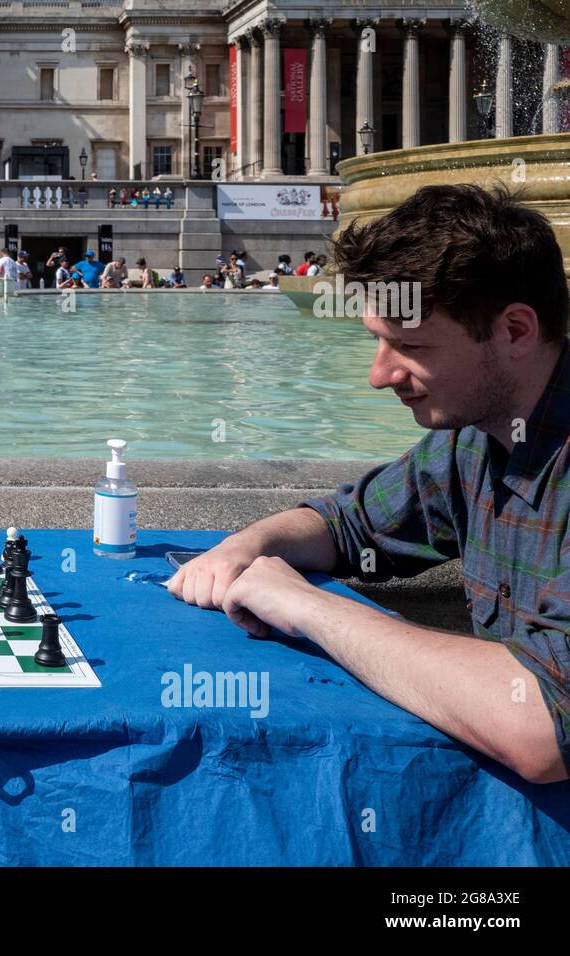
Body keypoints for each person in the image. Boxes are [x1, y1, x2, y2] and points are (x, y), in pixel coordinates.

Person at [171, 184, 570, 784]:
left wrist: (307, 607)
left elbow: (543, 727)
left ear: (515, 331)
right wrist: (247, 546)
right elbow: (348, 524)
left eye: (408, 345)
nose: (378, 375)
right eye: (376, 341)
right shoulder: (475, 440)